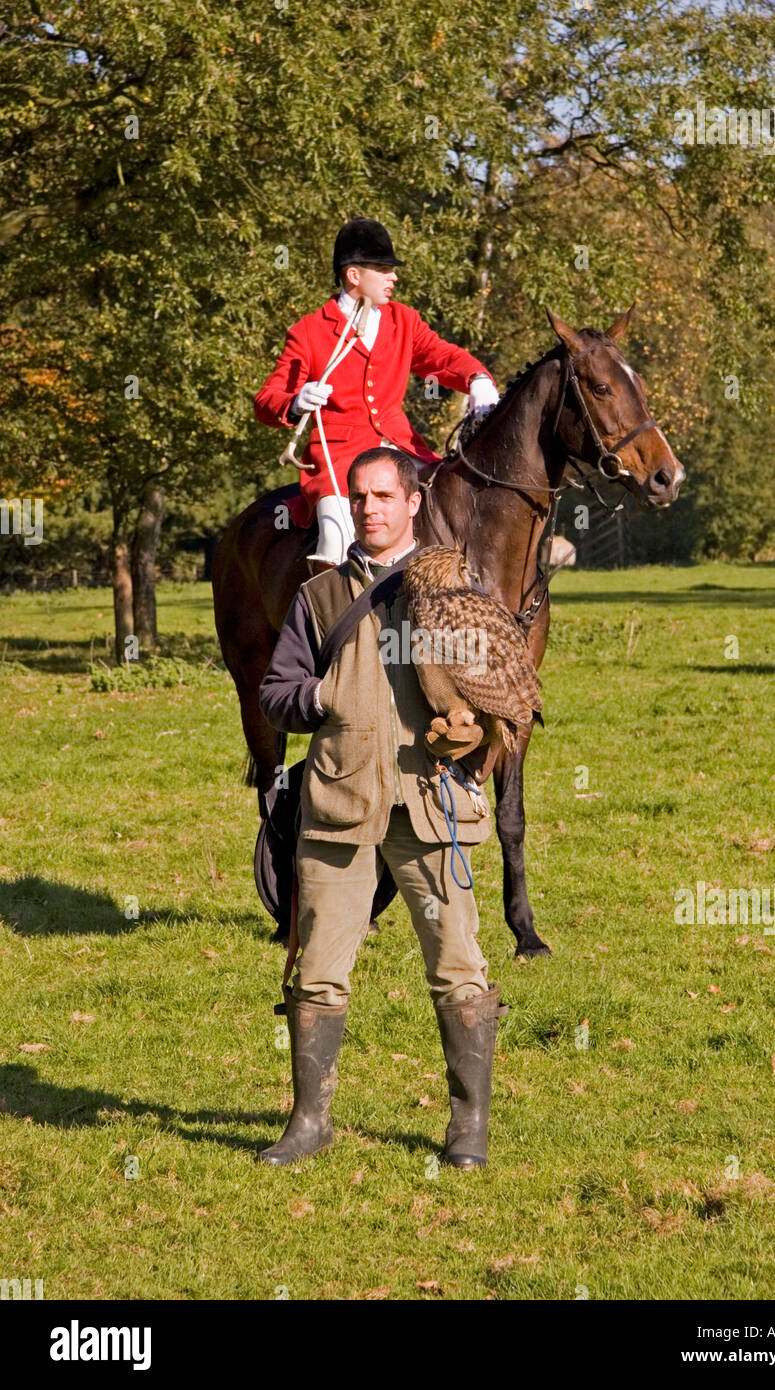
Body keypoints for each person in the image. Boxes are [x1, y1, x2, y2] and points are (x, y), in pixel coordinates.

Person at [257, 445, 505, 1170]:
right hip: (339, 805)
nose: (370, 508)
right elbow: (276, 693)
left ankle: (468, 1128)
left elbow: (497, 693)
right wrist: (321, 697)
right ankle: (309, 1123)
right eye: (359, 497)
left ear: (413, 502)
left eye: (384, 496)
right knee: (317, 971)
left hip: (433, 809)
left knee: (458, 966)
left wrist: (474, 734)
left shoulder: (455, 589)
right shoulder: (321, 597)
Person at [254, 217, 499, 568]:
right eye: (384, 269)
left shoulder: (404, 320)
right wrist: (295, 402)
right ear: (354, 275)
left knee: (458, 505)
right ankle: (330, 621)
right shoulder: (309, 331)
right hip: (340, 461)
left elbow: (442, 356)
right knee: (336, 542)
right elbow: (266, 401)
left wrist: (477, 378)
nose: (394, 277)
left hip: (402, 448)